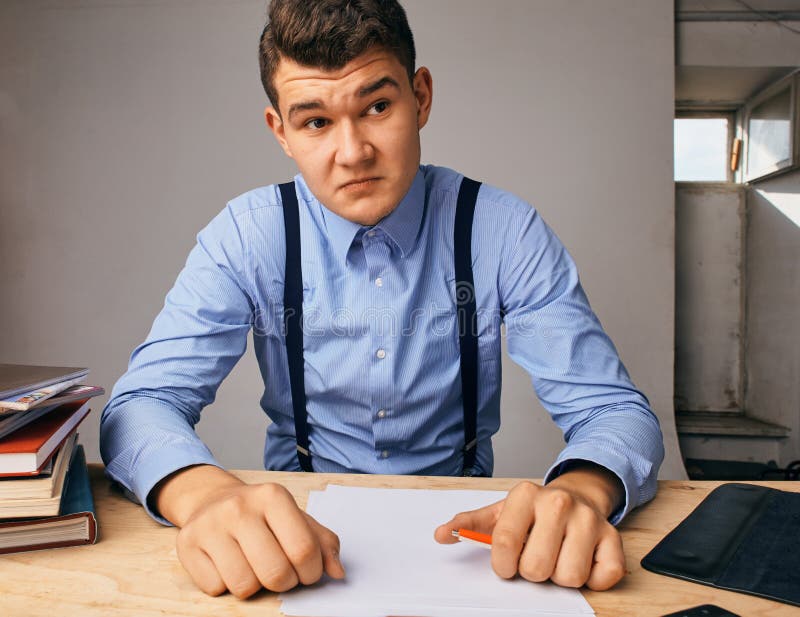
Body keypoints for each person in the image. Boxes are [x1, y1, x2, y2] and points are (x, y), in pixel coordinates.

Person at [100, 0, 664, 601]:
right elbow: (142, 404)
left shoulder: (503, 231)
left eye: (376, 107)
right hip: (293, 545)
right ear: (281, 131)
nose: (353, 153)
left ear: (420, 97)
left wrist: (581, 492)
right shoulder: (247, 236)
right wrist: (205, 496)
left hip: (465, 552)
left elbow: (613, 410)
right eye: (316, 122)